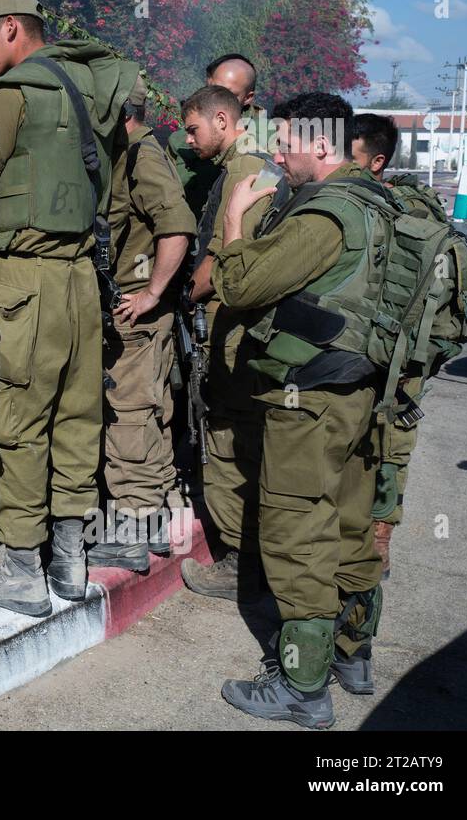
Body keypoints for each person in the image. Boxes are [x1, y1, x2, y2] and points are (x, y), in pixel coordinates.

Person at [0, 0, 139, 613]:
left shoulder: (12, 96)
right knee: (77, 414)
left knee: (21, 418)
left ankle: (20, 566)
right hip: (82, 275)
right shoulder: (90, 92)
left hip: (23, 278)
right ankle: (68, 558)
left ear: (12, 28)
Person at [212, 92, 384, 728]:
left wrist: (235, 216)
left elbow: (239, 285)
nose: (277, 154)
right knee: (349, 523)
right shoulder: (375, 202)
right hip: (361, 391)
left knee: (296, 533)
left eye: (284, 141)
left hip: (308, 397)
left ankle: (302, 688)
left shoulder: (323, 215)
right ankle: (353, 655)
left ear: (319, 143)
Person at [350, 114, 467, 578]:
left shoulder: (405, 212)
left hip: (403, 353)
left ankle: (379, 544)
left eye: (353, 154)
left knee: (390, 444)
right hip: (361, 346)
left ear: (378, 160)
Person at [178, 85, 286, 602]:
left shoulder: (245, 170)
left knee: (224, 438)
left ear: (223, 119)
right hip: (254, 327)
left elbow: (223, 259)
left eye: (194, 128)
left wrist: (182, 294)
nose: (189, 138)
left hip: (233, 327)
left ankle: (239, 563)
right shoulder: (262, 163)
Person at [94, 74, 195, 570]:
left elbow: (176, 225)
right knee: (150, 414)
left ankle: (131, 532)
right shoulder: (136, 152)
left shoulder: (140, 155)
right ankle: (151, 522)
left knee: (130, 416)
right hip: (139, 318)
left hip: (135, 319)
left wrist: (151, 292)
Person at [169, 54, 272, 216]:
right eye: (212, 89)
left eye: (227, 93)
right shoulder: (181, 141)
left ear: (248, 97)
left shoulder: (270, 140)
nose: (216, 97)